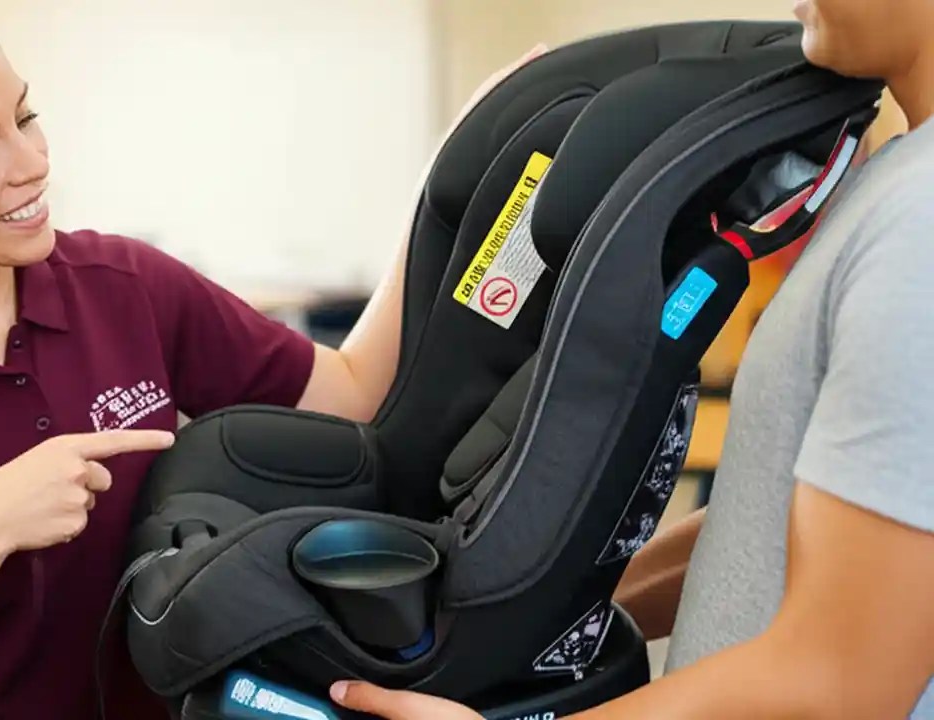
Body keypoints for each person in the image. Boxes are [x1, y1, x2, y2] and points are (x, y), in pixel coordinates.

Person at [0, 1, 545, 718]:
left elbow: (357, 394)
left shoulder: (123, 287)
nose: (32, 162)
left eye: (26, 116)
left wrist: (458, 171)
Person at [330, 0, 934, 718]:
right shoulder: (896, 187)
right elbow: (798, 536)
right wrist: (517, 622)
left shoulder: (919, 224)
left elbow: (841, 682)